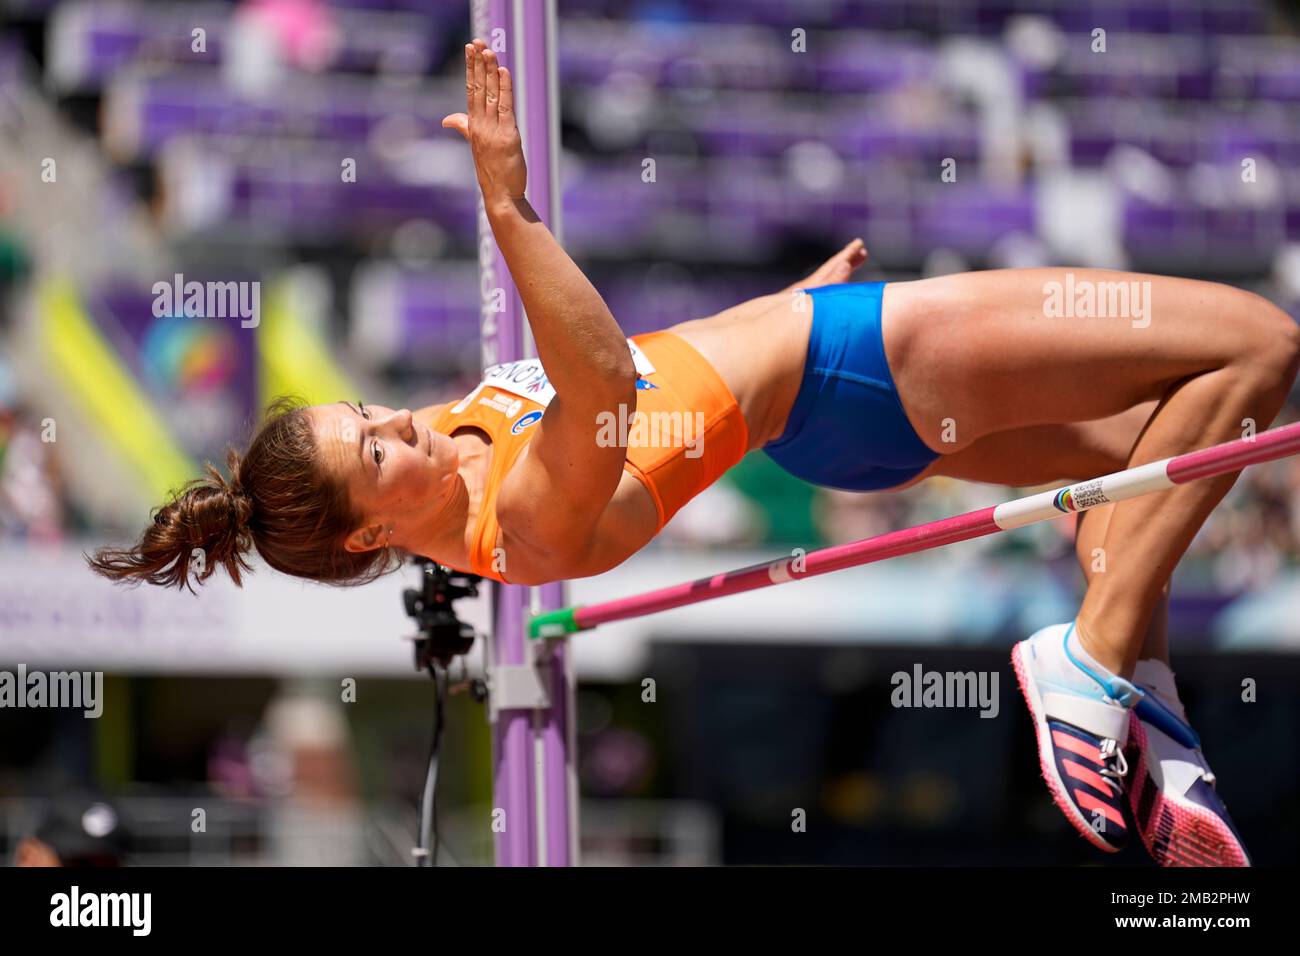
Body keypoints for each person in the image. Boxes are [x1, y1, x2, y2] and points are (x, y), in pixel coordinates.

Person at [91, 41, 1300, 867]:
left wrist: (774, 307)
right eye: (377, 445)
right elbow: (609, 383)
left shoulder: (460, 451)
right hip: (863, 367)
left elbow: (677, 393)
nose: (399, 419)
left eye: (371, 410)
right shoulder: (519, 527)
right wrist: (509, 210)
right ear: (367, 529)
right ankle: (1092, 663)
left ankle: (1150, 717)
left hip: (827, 409)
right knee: (1254, 347)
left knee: (1135, 479)